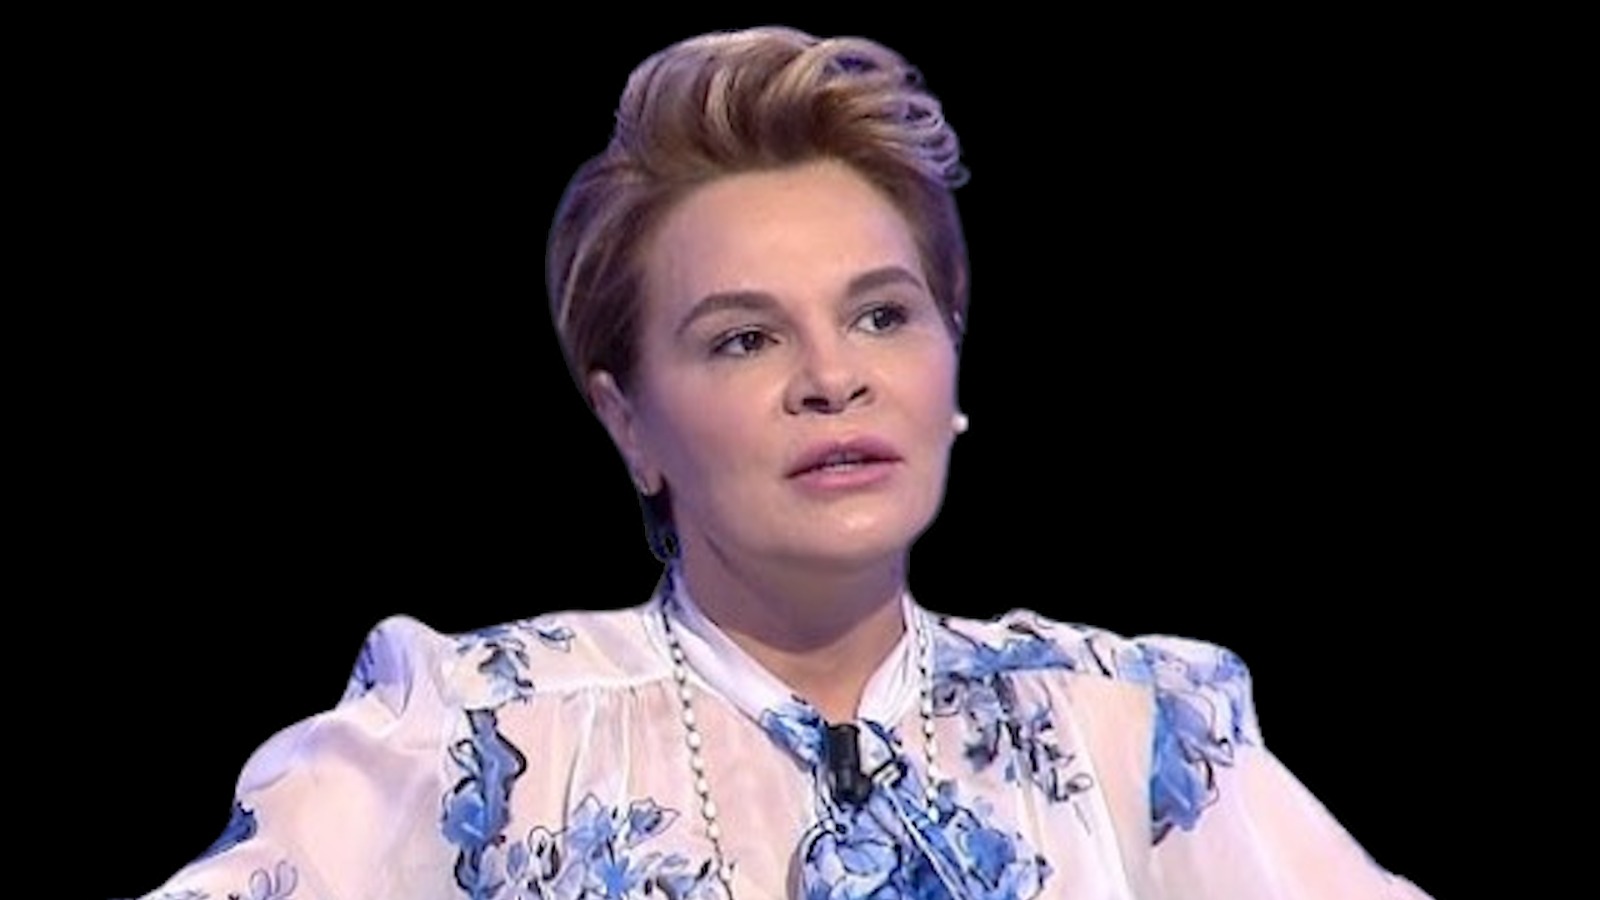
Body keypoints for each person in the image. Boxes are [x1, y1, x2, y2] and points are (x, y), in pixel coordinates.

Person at [133, 26, 1434, 900]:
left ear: (951, 360)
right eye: (745, 338)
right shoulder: (477, 729)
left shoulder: (1129, 724)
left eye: (882, 315)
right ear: (628, 423)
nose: (832, 376)